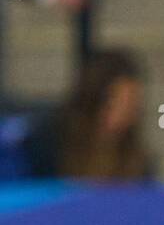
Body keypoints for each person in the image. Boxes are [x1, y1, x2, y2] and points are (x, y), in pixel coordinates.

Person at [23, 47, 156, 181]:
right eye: (119, 104)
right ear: (95, 100)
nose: (127, 115)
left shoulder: (138, 159)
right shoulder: (49, 143)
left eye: (132, 106)